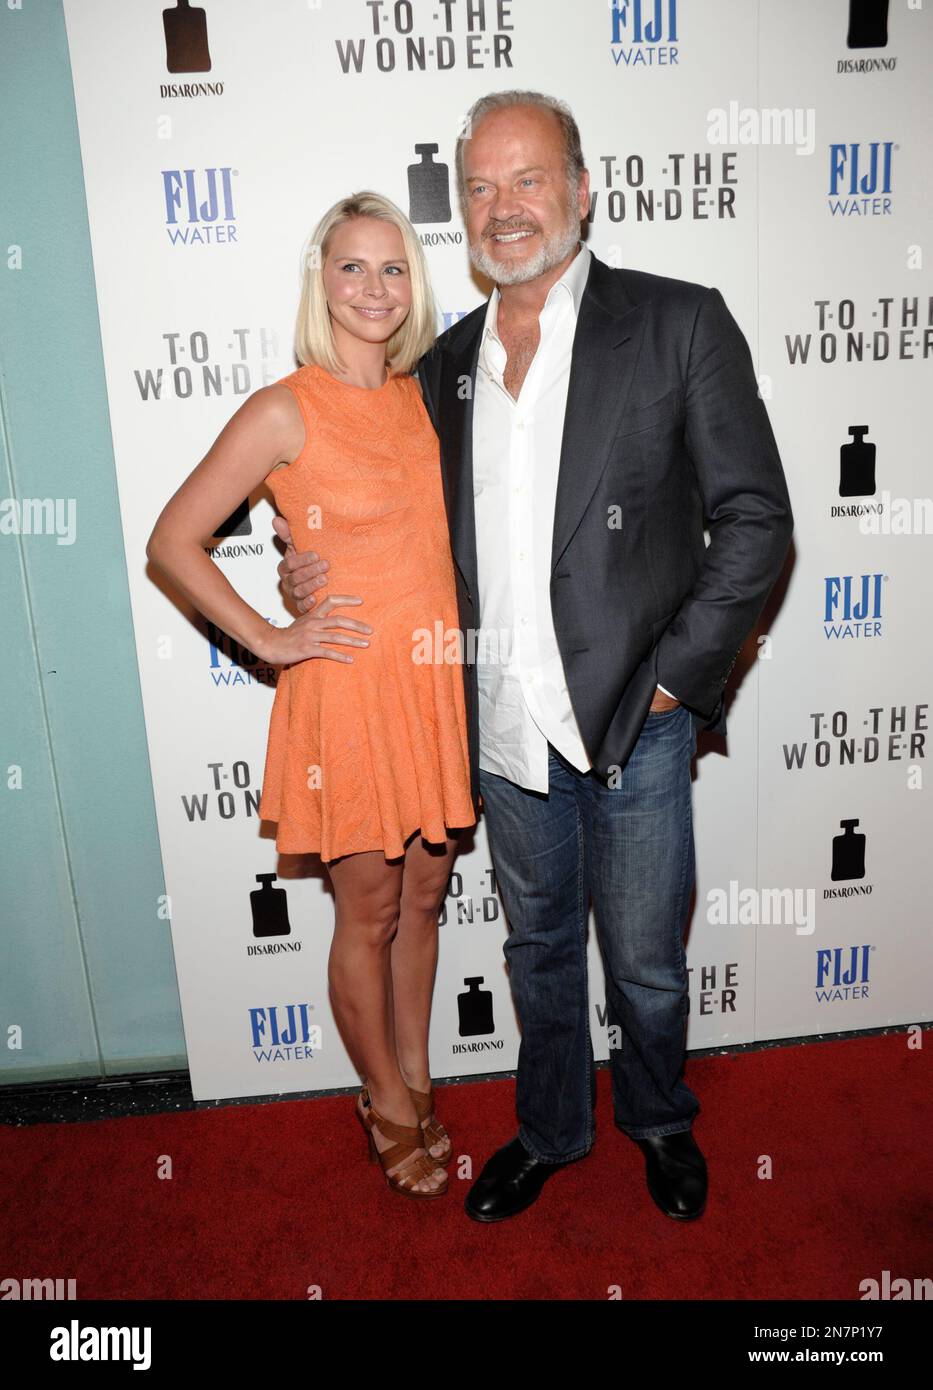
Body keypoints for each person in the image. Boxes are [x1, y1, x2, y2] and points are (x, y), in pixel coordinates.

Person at [275, 91, 794, 1224]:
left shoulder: (677, 323)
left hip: (638, 724)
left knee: (648, 961)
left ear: (581, 190)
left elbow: (757, 521)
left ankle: (660, 1122)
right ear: (458, 207)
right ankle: (553, 1129)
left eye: (527, 180)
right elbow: (379, 519)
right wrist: (300, 572)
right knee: (539, 952)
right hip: (500, 729)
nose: (503, 208)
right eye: (478, 187)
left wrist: (673, 683)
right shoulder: (442, 365)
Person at [146, 192, 477, 1200]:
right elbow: (172, 540)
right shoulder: (286, 406)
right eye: (351, 267)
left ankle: (417, 1073)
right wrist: (272, 635)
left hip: (431, 686)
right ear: (320, 280)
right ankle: (382, 1099)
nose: (373, 288)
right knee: (368, 912)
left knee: (427, 893)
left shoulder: (428, 395)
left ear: (410, 287)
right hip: (349, 694)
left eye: (391, 269)